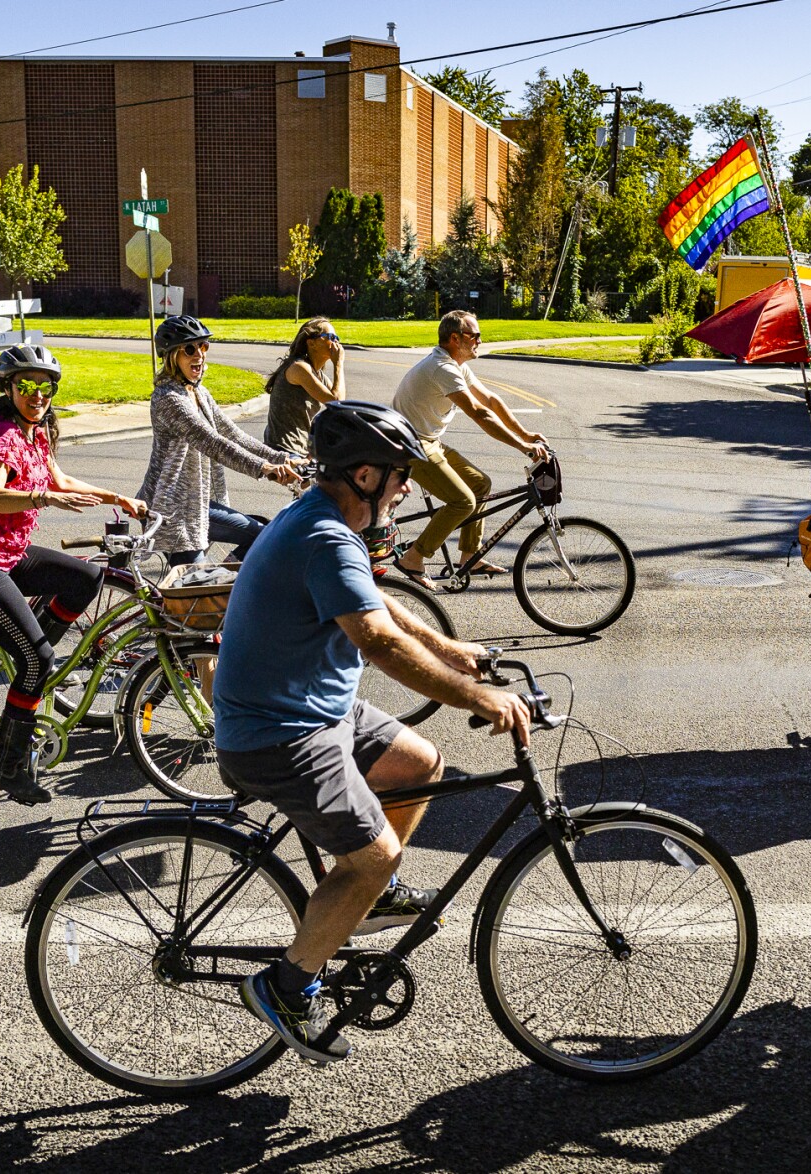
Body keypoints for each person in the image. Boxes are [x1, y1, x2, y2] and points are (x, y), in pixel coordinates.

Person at [216, 400, 528, 1065]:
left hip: (316, 709)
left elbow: (377, 602)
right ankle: (285, 986)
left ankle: (367, 896)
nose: (406, 486)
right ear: (363, 475)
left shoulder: (329, 524)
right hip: (278, 732)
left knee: (420, 763)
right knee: (377, 850)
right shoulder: (324, 535)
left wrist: (448, 647)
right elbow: (378, 640)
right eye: (399, 474)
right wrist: (480, 697)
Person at [0, 344, 146, 805]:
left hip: (7, 554)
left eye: (45, 385)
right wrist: (42, 500)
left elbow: (59, 479)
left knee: (86, 578)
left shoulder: (35, 432)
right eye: (26, 385)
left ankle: (36, 659)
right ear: (8, 388)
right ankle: (5, 766)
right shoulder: (2, 438)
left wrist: (117, 497)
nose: (37, 393)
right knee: (36, 661)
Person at [390, 310, 550, 589]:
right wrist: (523, 447)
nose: (479, 340)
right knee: (463, 502)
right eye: (474, 335)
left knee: (480, 484)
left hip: (428, 440)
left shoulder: (456, 364)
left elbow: (489, 399)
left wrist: (524, 433)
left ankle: (469, 557)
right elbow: (478, 413)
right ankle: (413, 558)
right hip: (409, 444)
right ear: (455, 338)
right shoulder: (443, 368)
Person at [138, 315, 301, 567]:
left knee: (263, 533)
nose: (199, 355)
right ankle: (217, 589)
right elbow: (213, 443)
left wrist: (285, 458)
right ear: (171, 355)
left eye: (203, 346)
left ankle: (223, 583)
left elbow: (234, 435)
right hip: (174, 507)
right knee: (191, 598)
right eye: (189, 349)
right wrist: (264, 468)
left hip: (197, 502)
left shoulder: (198, 392)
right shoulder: (168, 399)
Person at [262, 317, 346, 456]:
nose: (336, 341)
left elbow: (339, 404)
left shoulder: (317, 374)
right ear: (311, 343)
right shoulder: (299, 367)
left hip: (301, 449)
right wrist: (338, 364)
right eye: (330, 337)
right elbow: (334, 400)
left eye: (337, 337)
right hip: (283, 450)